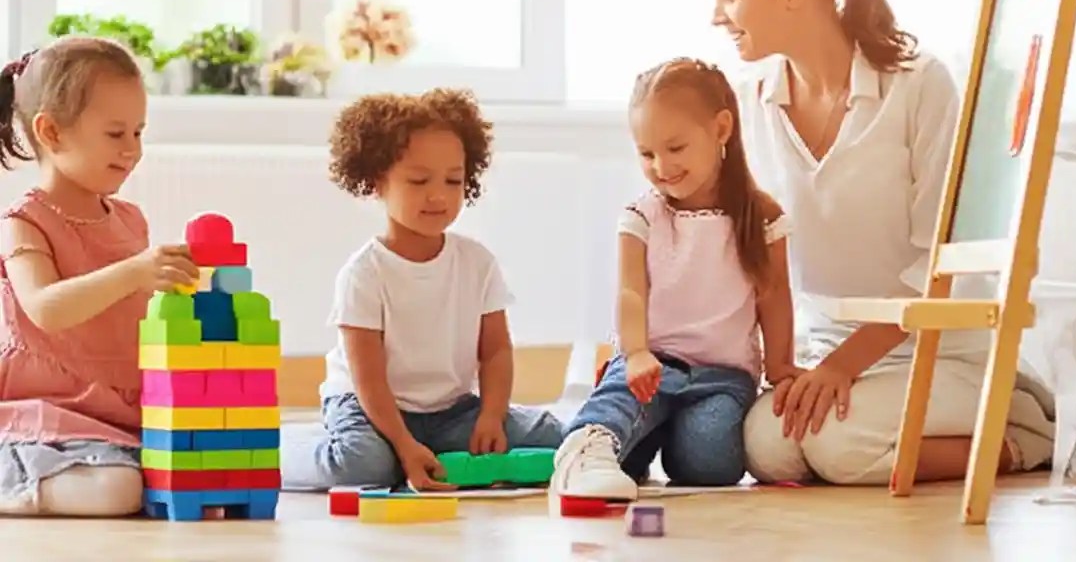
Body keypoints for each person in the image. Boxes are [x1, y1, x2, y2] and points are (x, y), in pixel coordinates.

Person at [707, 0, 1056, 485]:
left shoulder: (918, 85)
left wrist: (845, 366)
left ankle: (1020, 430)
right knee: (767, 447)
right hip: (828, 346)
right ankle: (867, 426)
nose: (717, 15)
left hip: (937, 346)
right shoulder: (750, 101)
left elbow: (937, 266)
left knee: (838, 449)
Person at [281, 89, 564, 492]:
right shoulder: (365, 273)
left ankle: (417, 454)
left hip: (449, 410)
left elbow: (496, 350)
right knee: (364, 465)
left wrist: (490, 415)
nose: (439, 195)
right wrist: (401, 441)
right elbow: (370, 379)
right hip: (368, 407)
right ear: (378, 181)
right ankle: (282, 454)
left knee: (551, 435)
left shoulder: (477, 262)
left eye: (454, 180)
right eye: (418, 180)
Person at [550, 57, 798, 501]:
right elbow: (630, 291)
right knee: (620, 406)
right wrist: (637, 351)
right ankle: (585, 447)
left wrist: (779, 367)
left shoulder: (762, 217)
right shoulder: (643, 215)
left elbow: (775, 295)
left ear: (721, 130)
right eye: (647, 154)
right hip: (653, 364)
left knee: (711, 465)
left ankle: (645, 436)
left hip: (723, 376)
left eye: (675, 148)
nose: (661, 166)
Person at [0, 37, 199, 516]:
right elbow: (46, 307)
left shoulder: (129, 219)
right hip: (53, 410)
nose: (133, 150)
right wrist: (134, 271)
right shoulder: (24, 222)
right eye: (115, 134)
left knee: (187, 475)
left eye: (138, 132)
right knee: (118, 492)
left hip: (124, 415)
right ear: (51, 132)